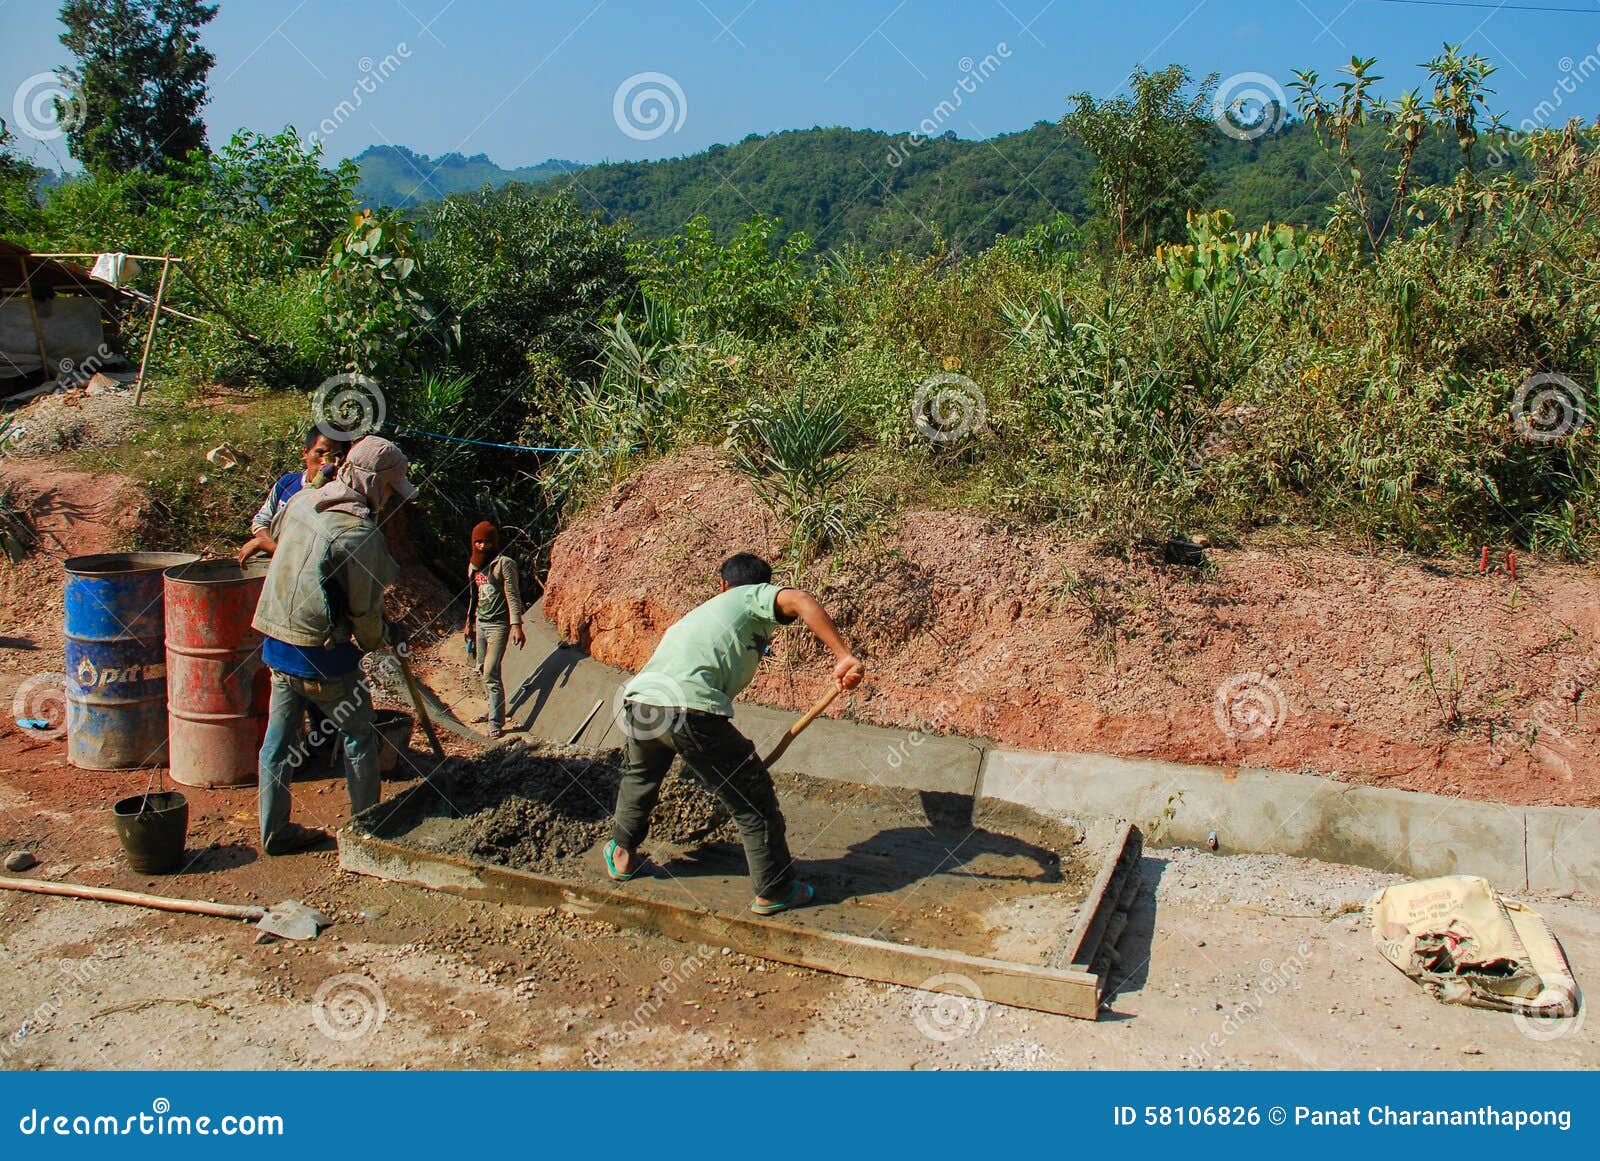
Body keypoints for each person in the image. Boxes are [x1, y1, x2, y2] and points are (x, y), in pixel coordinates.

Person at [605, 553, 863, 915]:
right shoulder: (747, 597)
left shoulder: (701, 614)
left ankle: (621, 853)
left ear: (721, 583)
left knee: (642, 775)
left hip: (642, 701)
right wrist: (843, 656)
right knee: (753, 800)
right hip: (689, 709)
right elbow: (802, 600)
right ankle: (775, 889)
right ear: (759, 586)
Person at [250, 434, 418, 855]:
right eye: (388, 490)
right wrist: (386, 637)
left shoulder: (303, 503)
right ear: (375, 484)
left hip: (278, 645)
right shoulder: (360, 534)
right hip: (325, 657)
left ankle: (273, 833)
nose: (389, 500)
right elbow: (364, 619)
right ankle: (366, 831)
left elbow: (276, 536)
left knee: (278, 743)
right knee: (359, 736)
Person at [236, 428, 346, 565]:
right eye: (320, 453)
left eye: (334, 456)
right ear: (305, 453)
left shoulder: (338, 495)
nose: (325, 462)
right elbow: (261, 520)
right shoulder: (287, 482)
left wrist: (265, 545)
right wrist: (270, 545)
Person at [462, 521, 526, 739]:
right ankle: (491, 709)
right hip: (481, 622)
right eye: (478, 542)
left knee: (491, 671)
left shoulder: (504, 564)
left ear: (494, 542)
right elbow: (473, 596)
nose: (482, 546)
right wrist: (469, 622)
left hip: (499, 624)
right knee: (480, 668)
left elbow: (513, 594)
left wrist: (516, 624)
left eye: (487, 542)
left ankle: (496, 721)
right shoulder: (473, 565)